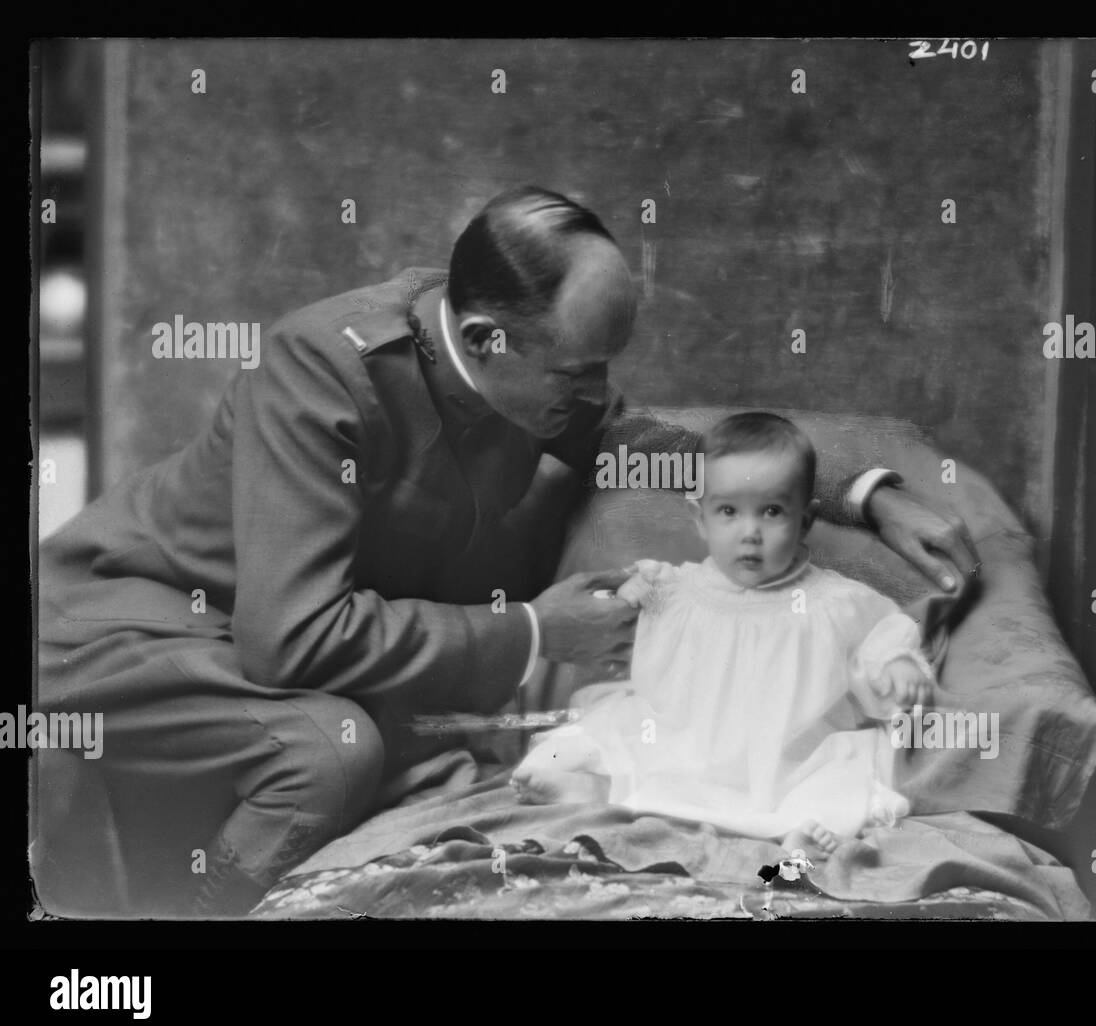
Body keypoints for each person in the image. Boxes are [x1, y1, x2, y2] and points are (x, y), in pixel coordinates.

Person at [35, 186, 978, 916]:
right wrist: (534, 631)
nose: (598, 394)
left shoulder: (510, 349)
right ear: (485, 339)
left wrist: (862, 493)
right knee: (334, 753)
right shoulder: (320, 370)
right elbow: (289, 637)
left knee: (407, 748)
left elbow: (641, 443)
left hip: (254, 635)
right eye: (581, 373)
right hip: (127, 614)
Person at [511, 412, 934, 854]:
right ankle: (595, 791)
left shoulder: (834, 603)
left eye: (772, 512)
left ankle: (800, 830)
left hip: (788, 754)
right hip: (688, 740)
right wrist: (629, 593)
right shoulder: (674, 588)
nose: (750, 533)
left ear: (805, 521)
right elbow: (606, 612)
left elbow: (880, 633)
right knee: (608, 731)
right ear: (700, 518)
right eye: (729, 512)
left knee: (838, 772)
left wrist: (896, 663)